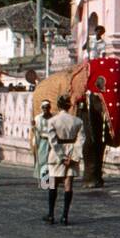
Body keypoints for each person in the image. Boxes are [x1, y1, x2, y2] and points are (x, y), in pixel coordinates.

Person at [46, 94, 84, 225]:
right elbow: (81, 140)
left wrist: (61, 157)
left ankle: (51, 214)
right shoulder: (78, 121)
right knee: (68, 185)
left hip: (56, 155)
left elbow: (52, 140)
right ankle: (64, 216)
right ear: (69, 106)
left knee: (52, 185)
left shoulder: (52, 121)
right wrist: (74, 157)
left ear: (58, 105)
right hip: (72, 152)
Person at [31, 99, 53, 189]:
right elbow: (37, 131)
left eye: (47, 107)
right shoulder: (38, 118)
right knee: (41, 162)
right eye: (44, 107)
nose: (45, 109)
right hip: (42, 141)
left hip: (51, 141)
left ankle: (47, 182)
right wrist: (34, 128)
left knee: (50, 162)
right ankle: (40, 181)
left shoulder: (53, 117)